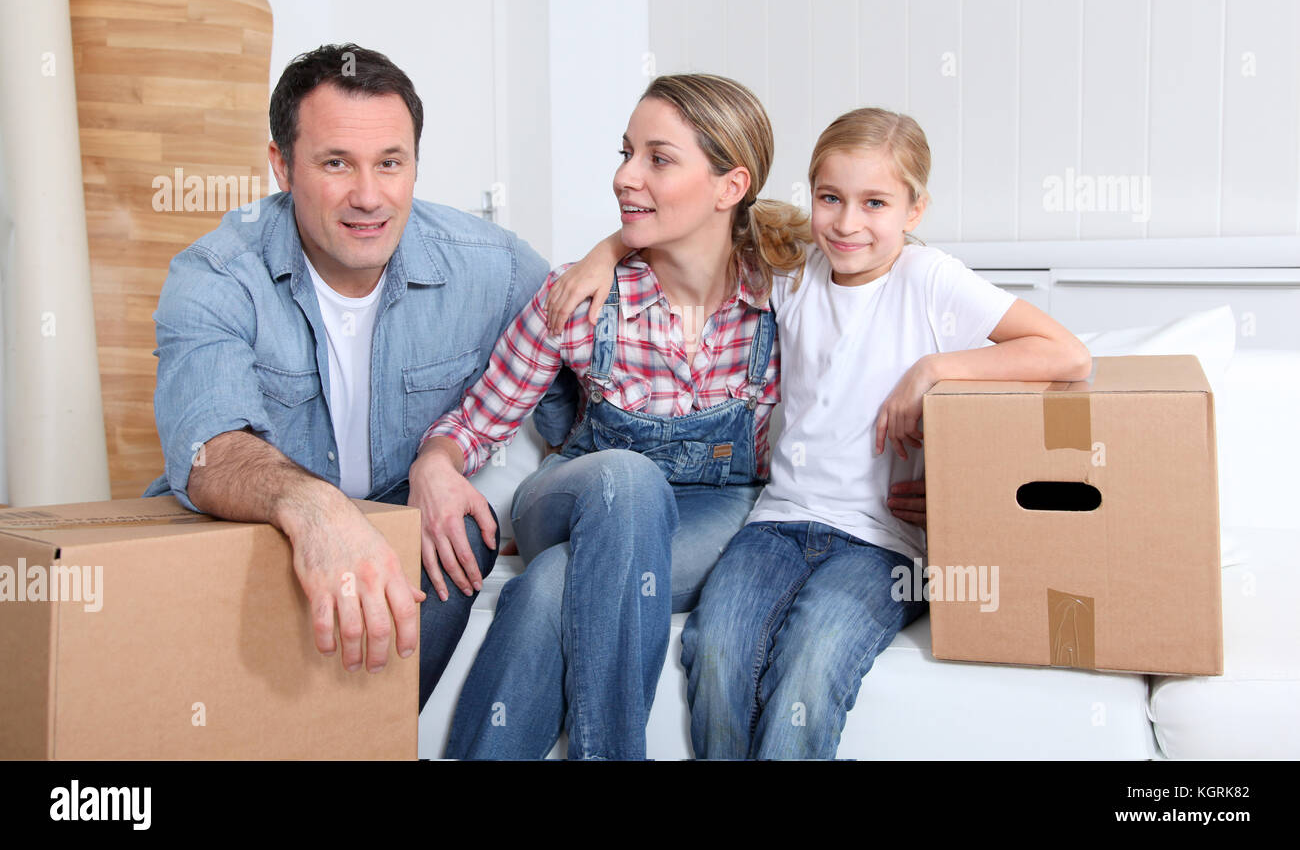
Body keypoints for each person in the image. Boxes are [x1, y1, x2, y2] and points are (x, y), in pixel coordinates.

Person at [145, 42, 576, 712]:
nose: (369, 197)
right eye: (336, 163)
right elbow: (209, 449)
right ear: (282, 166)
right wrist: (317, 508)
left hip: (398, 517)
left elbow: (577, 407)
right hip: (255, 524)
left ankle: (371, 738)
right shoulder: (217, 274)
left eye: (390, 164)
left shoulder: (492, 267)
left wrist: (510, 492)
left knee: (459, 527)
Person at [410, 73, 816, 759]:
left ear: (729, 186)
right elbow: (475, 424)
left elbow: (900, 278)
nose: (625, 177)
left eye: (658, 158)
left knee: (548, 588)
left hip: (712, 510)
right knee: (626, 480)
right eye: (625, 152)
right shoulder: (581, 294)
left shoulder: (788, 290)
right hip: (575, 493)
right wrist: (434, 462)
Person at [680, 107, 1094, 758]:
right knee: (715, 648)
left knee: (813, 659)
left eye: (874, 202)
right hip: (777, 524)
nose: (847, 223)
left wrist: (934, 367)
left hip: (881, 545)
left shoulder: (930, 281)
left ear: (914, 210)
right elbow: (686, 227)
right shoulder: (795, 272)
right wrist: (605, 253)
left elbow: (1067, 355)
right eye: (830, 199)